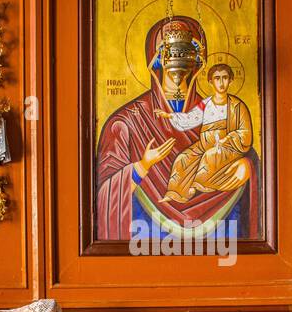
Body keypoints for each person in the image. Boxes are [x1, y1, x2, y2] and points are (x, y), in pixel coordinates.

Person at [94, 16, 259, 241]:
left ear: (198, 62)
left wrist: (247, 167)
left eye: (186, 52)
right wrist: (142, 166)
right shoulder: (125, 123)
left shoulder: (219, 109)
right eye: (168, 52)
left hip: (219, 235)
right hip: (146, 235)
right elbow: (104, 194)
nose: (177, 64)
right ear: (155, 60)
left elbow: (243, 143)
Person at [160, 63, 254, 203]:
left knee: (209, 157)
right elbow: (191, 119)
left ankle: (196, 186)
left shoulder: (236, 106)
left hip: (228, 148)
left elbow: (245, 133)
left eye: (225, 78)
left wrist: (227, 139)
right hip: (204, 145)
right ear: (211, 82)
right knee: (183, 158)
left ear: (231, 80)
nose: (221, 83)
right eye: (217, 78)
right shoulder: (206, 103)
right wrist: (169, 116)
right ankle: (174, 193)